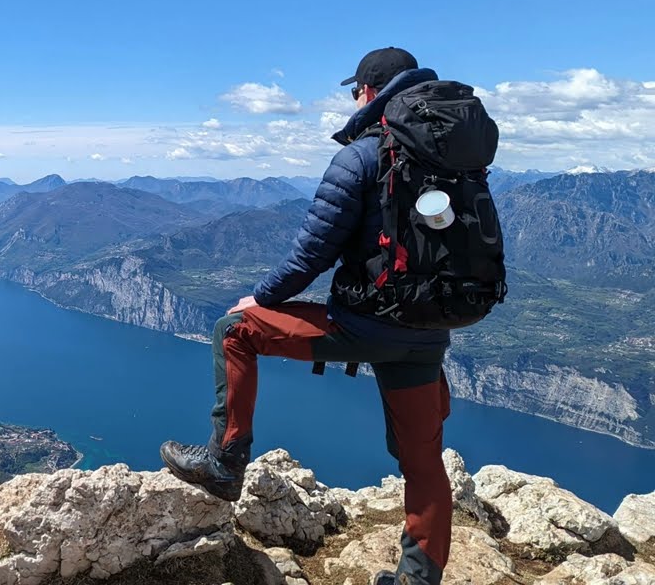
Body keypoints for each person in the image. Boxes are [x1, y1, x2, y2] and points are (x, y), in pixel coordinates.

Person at [160, 48, 455, 585]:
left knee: (235, 331)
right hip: (430, 334)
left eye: (354, 91)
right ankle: (418, 580)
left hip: (364, 324)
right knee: (424, 463)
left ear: (369, 91)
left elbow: (311, 253)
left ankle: (225, 464)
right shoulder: (456, 158)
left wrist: (260, 298)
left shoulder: (365, 155)